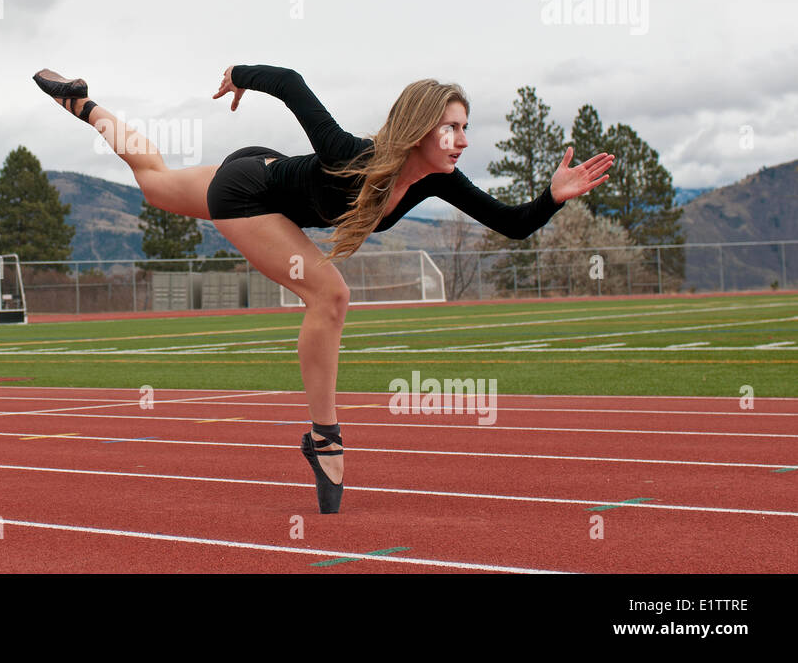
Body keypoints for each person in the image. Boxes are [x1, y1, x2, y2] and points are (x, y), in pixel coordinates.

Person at [33, 65, 614, 513]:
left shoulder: (439, 181)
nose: (462, 139)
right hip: (247, 191)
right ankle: (325, 437)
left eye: (466, 127)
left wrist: (552, 198)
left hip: (264, 174)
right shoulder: (353, 157)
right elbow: (290, 83)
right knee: (330, 295)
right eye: (452, 126)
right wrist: (239, 76)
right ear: (419, 128)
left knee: (155, 182)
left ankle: (79, 103)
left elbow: (511, 223)